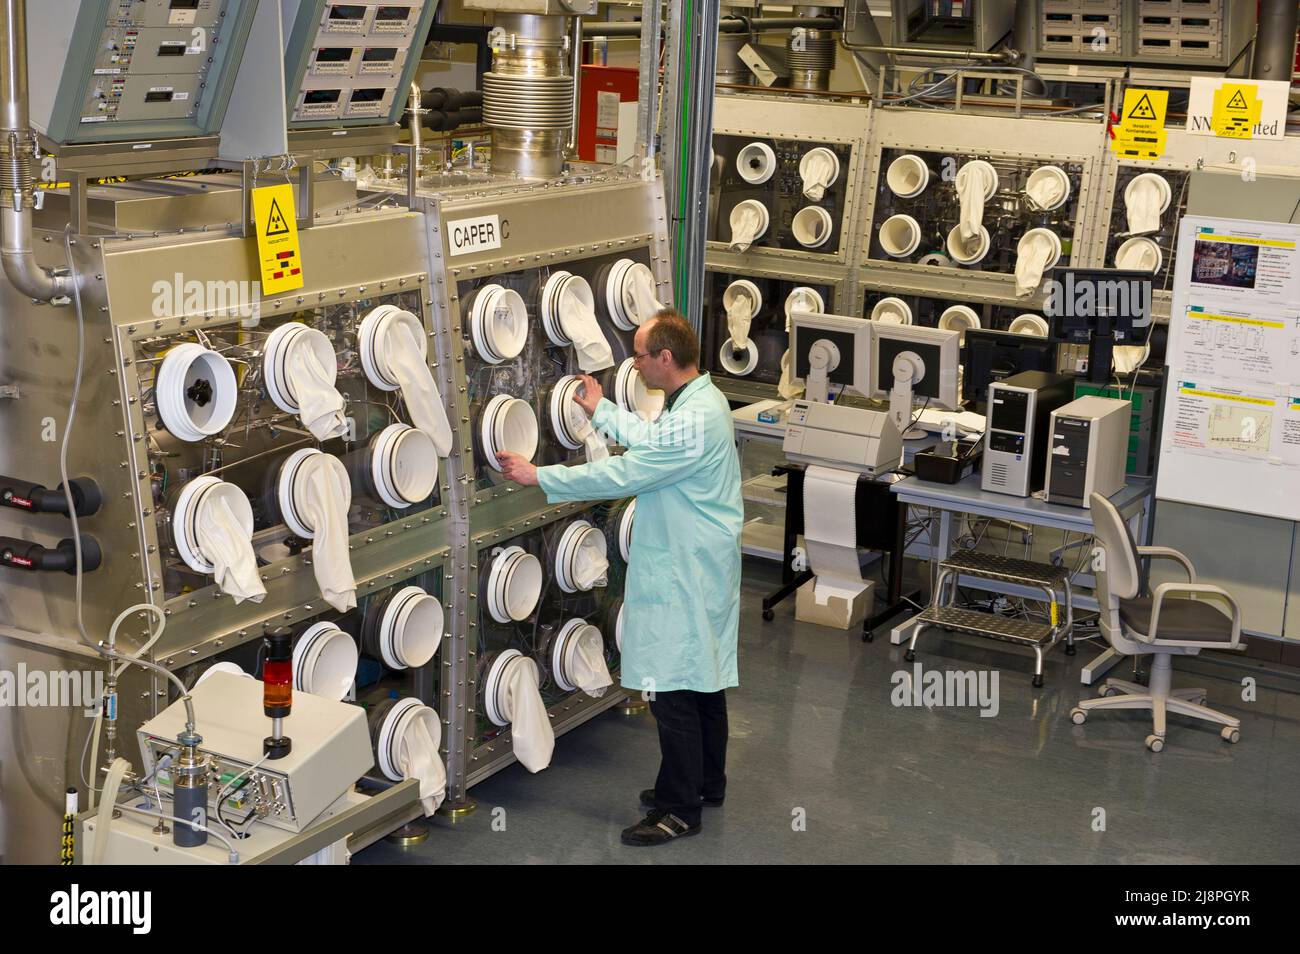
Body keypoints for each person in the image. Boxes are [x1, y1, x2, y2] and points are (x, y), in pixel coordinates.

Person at [496, 308, 743, 847]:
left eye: (639, 354)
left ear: (665, 358)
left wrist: (543, 476)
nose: (634, 363)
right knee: (703, 678)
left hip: (686, 570)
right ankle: (706, 782)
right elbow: (655, 443)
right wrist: (602, 410)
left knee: (671, 687)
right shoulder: (700, 399)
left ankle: (680, 810)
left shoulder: (694, 418)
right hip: (701, 563)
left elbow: (627, 471)